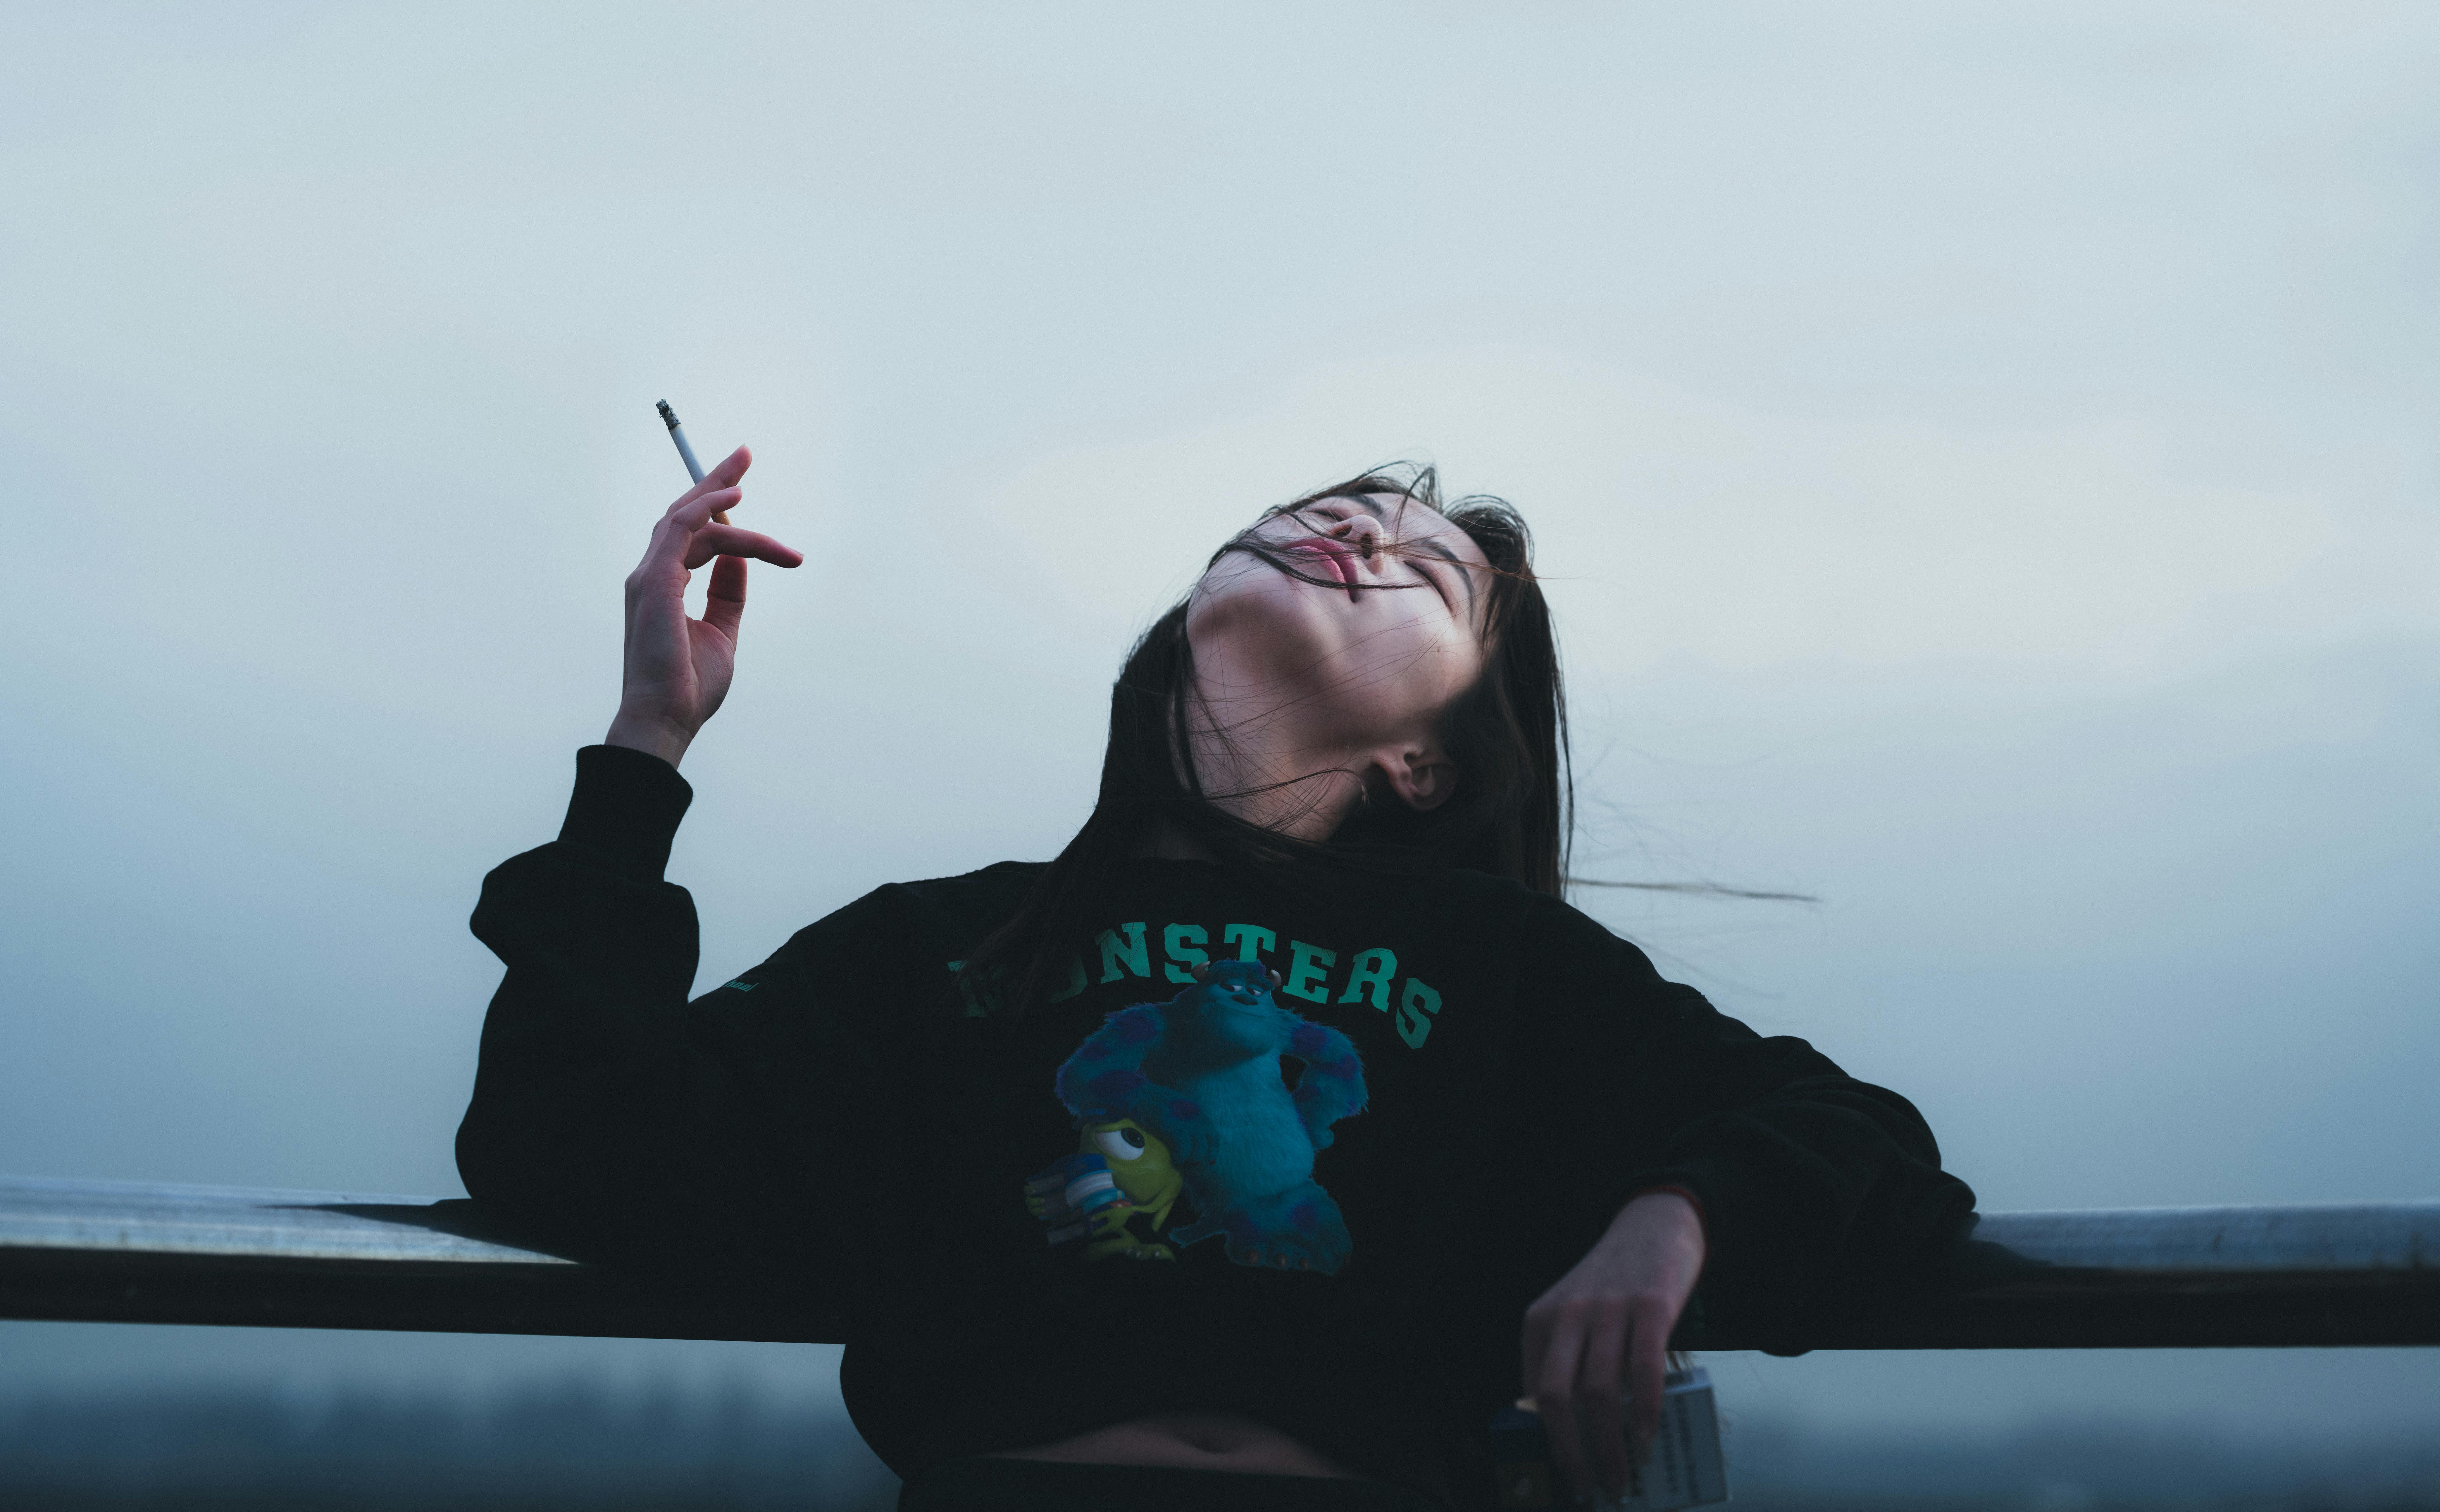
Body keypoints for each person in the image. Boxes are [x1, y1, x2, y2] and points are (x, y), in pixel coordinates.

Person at [457, 448, 1976, 1512]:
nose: (1355, 534)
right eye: (1322, 510)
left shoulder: (1503, 970)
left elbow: (1864, 1142)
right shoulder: (944, 945)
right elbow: (571, 1142)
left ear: (1426, 757)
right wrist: (647, 737)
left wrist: (1674, 1215)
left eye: (1421, 574)